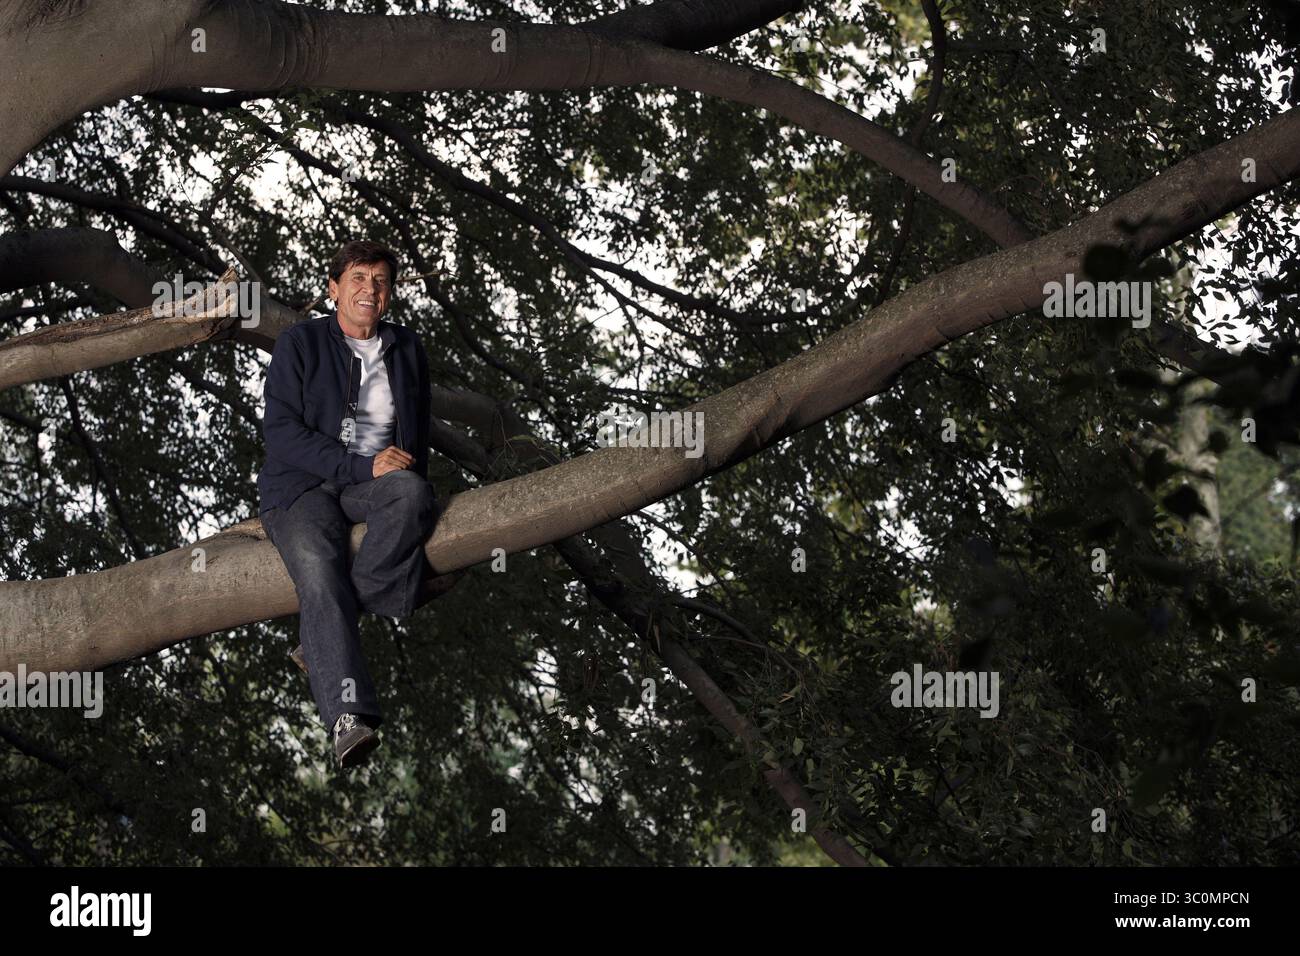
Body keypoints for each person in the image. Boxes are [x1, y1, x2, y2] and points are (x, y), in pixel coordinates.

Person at [256, 239, 436, 769]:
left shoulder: (406, 348)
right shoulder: (301, 343)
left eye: (380, 281)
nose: (369, 289)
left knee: (413, 493)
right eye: (358, 278)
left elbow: (416, 432)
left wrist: (406, 495)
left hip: (370, 488)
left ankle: (321, 639)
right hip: (302, 487)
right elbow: (283, 434)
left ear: (390, 294)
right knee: (318, 568)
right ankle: (347, 719)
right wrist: (362, 465)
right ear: (334, 288)